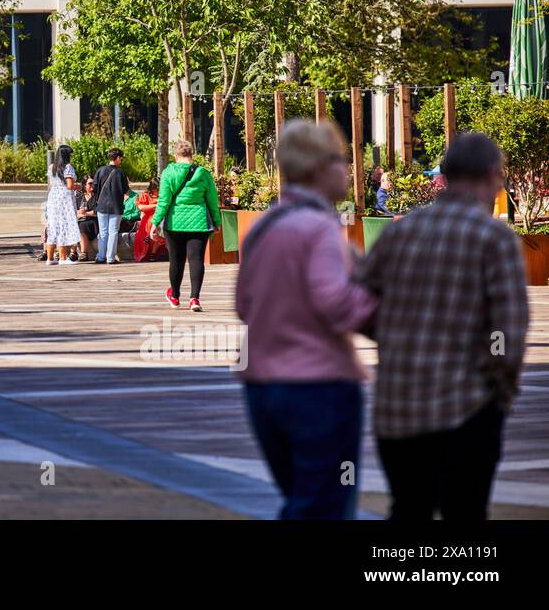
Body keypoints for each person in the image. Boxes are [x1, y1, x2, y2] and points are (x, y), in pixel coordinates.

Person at [362, 132, 528, 521]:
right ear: (490, 175)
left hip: (397, 408)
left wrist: (394, 337)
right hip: (467, 408)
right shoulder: (495, 239)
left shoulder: (401, 231)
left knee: (408, 508)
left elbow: (359, 304)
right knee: (465, 511)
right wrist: (500, 395)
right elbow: (509, 333)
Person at [235, 120, 378, 520]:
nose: (348, 169)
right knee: (323, 507)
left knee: (301, 500)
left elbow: (244, 303)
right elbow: (337, 303)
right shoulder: (319, 228)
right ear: (318, 166)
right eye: (341, 159)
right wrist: (393, 311)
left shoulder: (263, 226)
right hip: (319, 387)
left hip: (262, 387)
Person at [151, 141, 221, 311]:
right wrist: (217, 221)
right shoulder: (203, 173)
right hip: (199, 223)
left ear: (175, 155)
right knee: (196, 260)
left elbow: (164, 201)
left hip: (175, 223)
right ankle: (194, 299)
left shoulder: (169, 173)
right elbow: (212, 199)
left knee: (176, 261)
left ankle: (174, 296)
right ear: (192, 154)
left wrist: (155, 223)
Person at [43, 144, 81, 265]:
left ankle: (50, 258)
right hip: (65, 200)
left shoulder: (51, 167)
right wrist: (78, 186)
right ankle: (63, 258)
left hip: (53, 199)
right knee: (64, 226)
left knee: (53, 227)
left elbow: (50, 185)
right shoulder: (68, 167)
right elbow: (69, 185)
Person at [91, 148, 130, 264]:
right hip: (116, 206)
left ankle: (101, 256)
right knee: (113, 231)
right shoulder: (120, 173)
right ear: (118, 158)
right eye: (121, 158)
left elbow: (95, 187)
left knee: (103, 232)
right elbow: (125, 190)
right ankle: (110, 258)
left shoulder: (100, 170)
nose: (121, 161)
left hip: (102, 205)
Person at [133, 179, 166, 262]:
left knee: (159, 223)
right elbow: (141, 207)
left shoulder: (164, 195)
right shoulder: (145, 195)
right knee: (153, 222)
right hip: (148, 219)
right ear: (152, 187)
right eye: (157, 189)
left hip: (161, 218)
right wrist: (155, 205)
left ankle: (153, 252)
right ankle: (151, 250)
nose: (159, 191)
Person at [76, 177, 100, 260]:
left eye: (93, 183)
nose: (92, 185)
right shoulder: (79, 197)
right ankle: (71, 252)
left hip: (94, 221)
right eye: (90, 183)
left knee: (82, 226)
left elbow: (98, 211)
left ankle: (84, 253)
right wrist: (79, 213)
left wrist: (85, 213)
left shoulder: (97, 196)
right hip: (81, 220)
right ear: (84, 185)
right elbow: (73, 210)